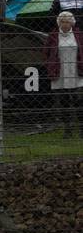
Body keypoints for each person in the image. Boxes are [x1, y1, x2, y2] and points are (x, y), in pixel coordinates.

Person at [45, 9, 83, 138]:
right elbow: (47, 52)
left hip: (76, 71)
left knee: (79, 100)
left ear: (72, 23)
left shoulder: (78, 34)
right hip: (60, 71)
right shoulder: (53, 35)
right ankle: (67, 129)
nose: (65, 24)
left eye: (67, 22)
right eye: (62, 22)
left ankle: (81, 129)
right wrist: (51, 65)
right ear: (59, 23)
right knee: (64, 101)